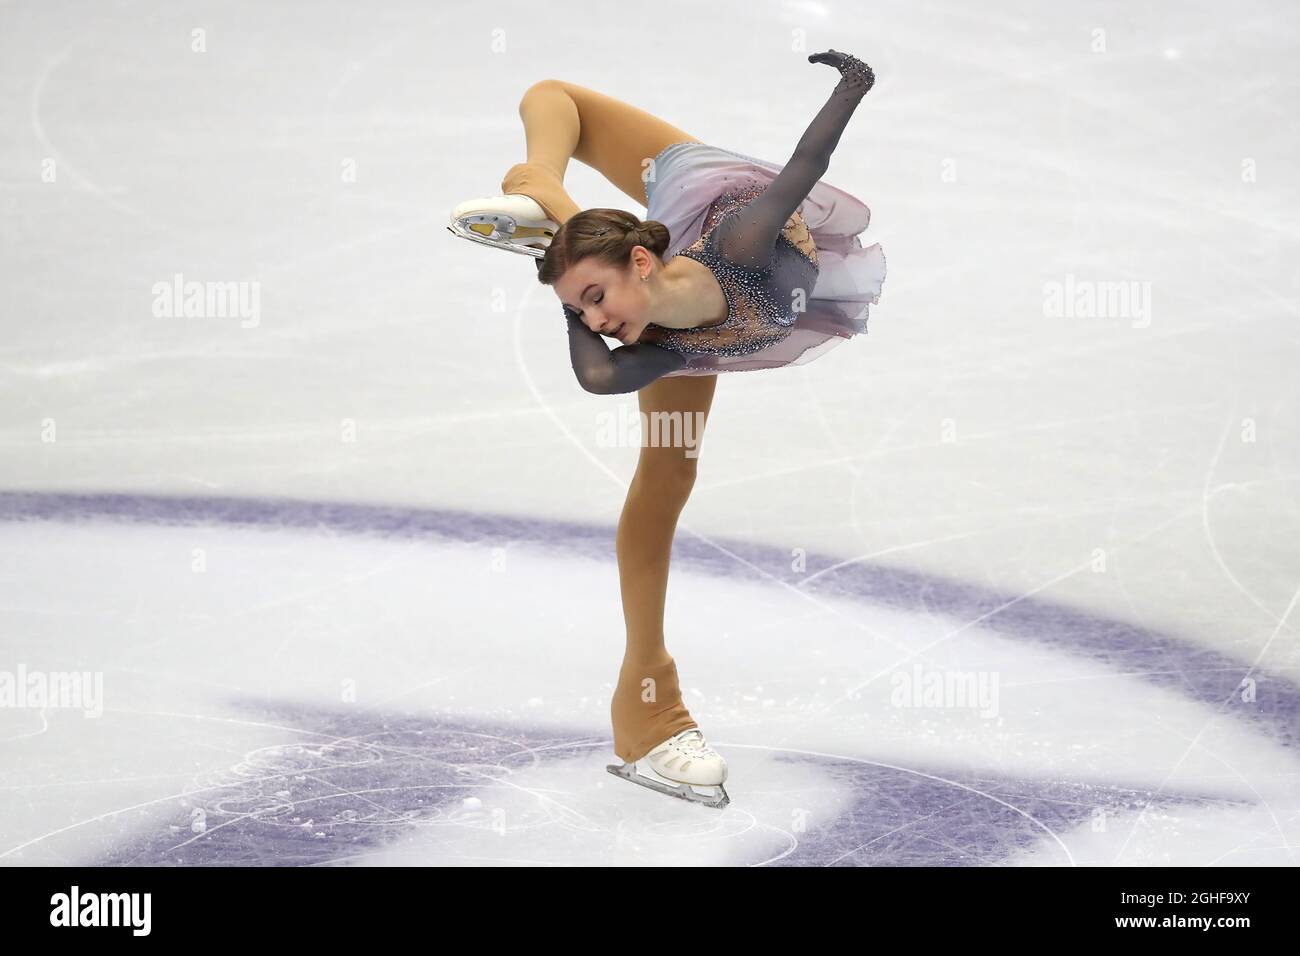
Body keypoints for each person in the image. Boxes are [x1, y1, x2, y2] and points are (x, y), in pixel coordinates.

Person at [448, 51, 884, 807]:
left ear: (641, 261)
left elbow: (805, 166)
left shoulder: (743, 240)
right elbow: (598, 374)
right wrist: (574, 300)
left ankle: (549, 210)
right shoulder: (652, 345)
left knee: (668, 471)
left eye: (595, 298)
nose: (597, 321)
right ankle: (651, 708)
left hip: (702, 223)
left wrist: (852, 87)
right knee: (667, 478)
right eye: (583, 308)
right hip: (683, 329)